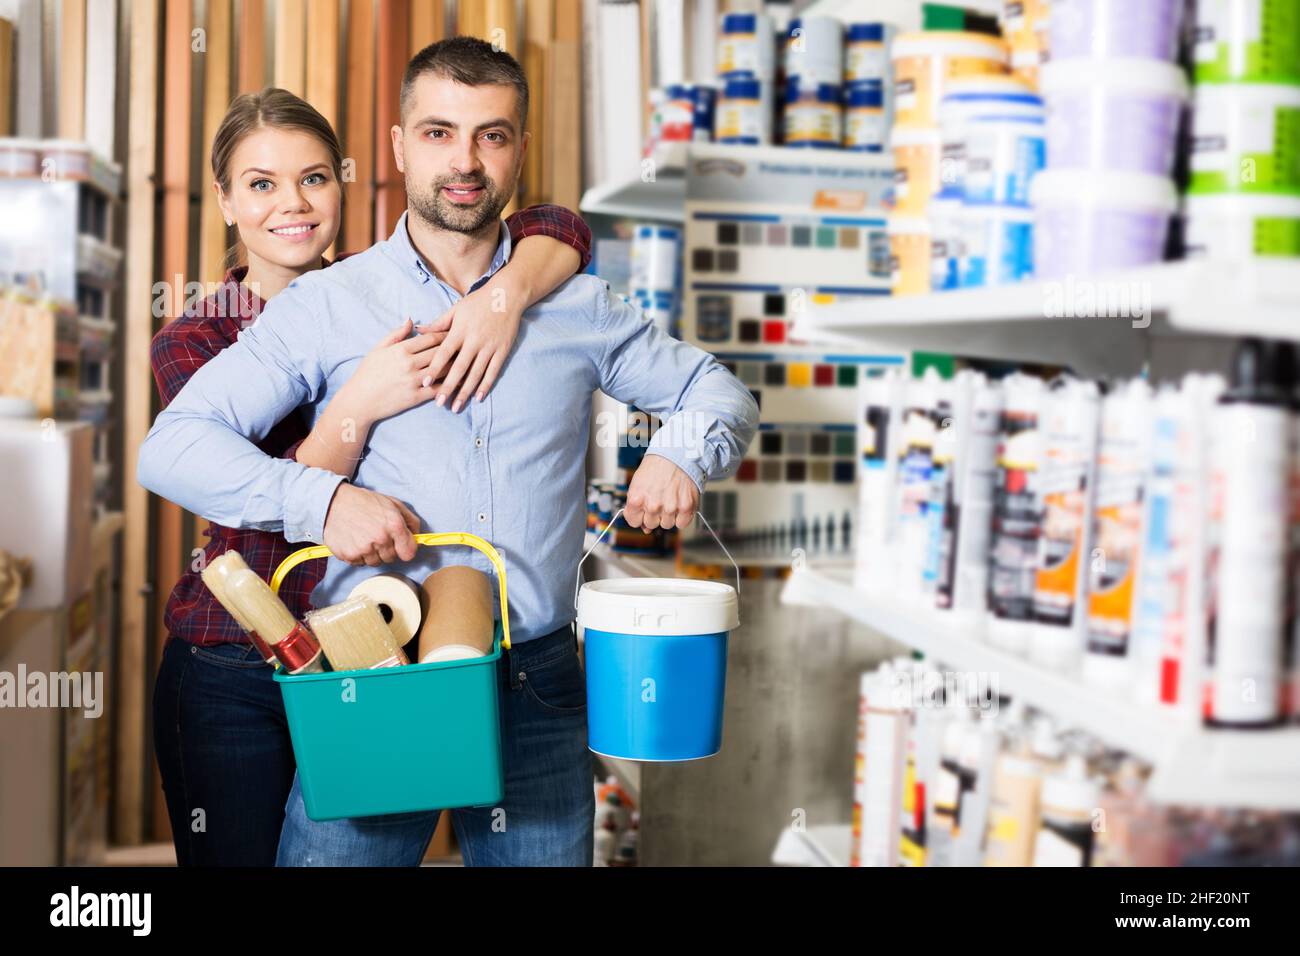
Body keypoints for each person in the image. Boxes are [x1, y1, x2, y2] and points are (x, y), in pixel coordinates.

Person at [138, 37, 759, 867]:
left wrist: (680, 454)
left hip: (537, 686)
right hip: (378, 671)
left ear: (520, 151)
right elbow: (173, 448)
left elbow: (719, 392)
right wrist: (323, 501)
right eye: (437, 133)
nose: (464, 161)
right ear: (396, 147)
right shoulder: (328, 305)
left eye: (491, 135)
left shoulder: (573, 303)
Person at [150, 85, 593, 867]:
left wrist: (506, 296)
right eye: (261, 184)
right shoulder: (197, 336)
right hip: (240, 664)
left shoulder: (385, 291)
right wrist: (357, 404)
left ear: (345, 183)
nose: (293, 203)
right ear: (224, 201)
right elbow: (239, 501)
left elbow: (556, 226)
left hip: (374, 651)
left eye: (315, 178)